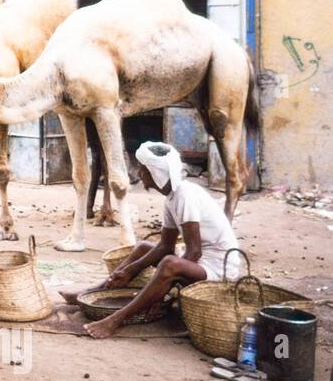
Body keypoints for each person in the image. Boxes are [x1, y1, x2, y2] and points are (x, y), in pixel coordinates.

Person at [69, 141, 241, 339]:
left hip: (220, 269)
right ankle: (93, 291)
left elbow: (194, 252)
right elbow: (165, 245)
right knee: (143, 247)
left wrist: (164, 291)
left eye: (143, 169)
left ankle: (116, 319)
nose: (140, 173)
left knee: (169, 265)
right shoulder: (172, 198)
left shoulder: (185, 195)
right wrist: (129, 271)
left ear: (154, 173)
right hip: (201, 262)